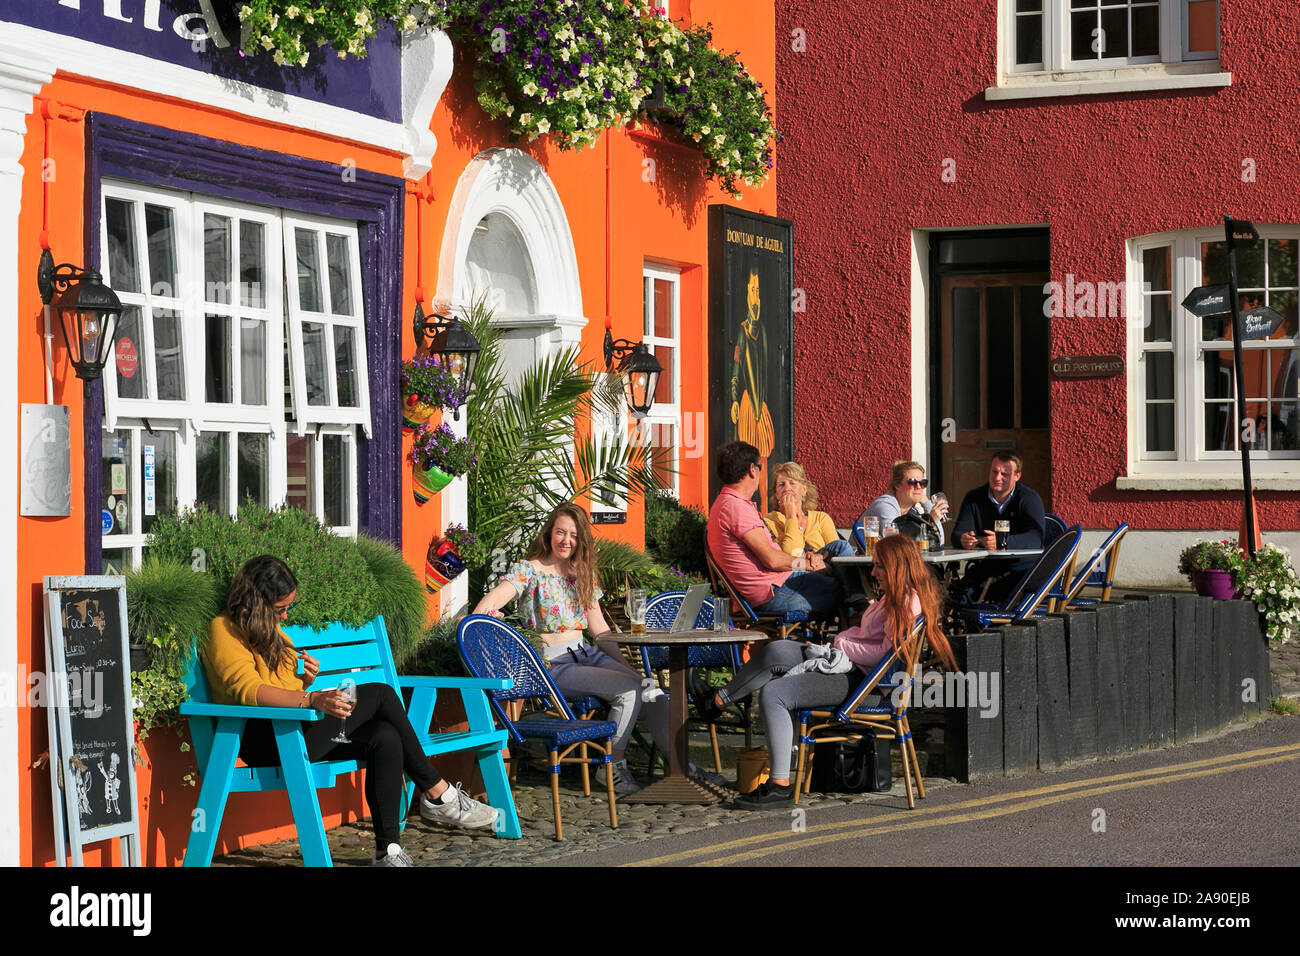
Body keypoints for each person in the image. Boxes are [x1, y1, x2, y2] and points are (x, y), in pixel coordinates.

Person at [203, 555, 499, 868]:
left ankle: (388, 853)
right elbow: (248, 690)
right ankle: (438, 793)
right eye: (279, 609)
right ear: (256, 603)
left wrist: (304, 677)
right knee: (381, 694)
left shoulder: (272, 632)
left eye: (288, 606)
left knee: (385, 737)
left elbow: (283, 684)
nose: (286, 614)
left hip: (294, 728)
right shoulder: (224, 630)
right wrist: (311, 698)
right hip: (265, 739)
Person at [696, 535, 956, 810]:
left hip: (867, 687)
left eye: (879, 566)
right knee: (777, 650)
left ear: (897, 566)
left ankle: (779, 787)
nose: (873, 572)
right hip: (854, 669)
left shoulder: (905, 601)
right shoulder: (894, 595)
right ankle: (716, 702)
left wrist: (845, 644)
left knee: (774, 694)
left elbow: (885, 655)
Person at [473, 502, 671, 795]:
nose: (566, 541)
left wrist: (630, 668)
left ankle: (680, 768)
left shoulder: (582, 573)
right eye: (560, 532)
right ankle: (611, 768)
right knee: (629, 691)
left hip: (587, 654)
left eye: (574, 535)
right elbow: (493, 600)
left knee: (650, 689)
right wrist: (486, 614)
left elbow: (600, 631)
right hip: (553, 665)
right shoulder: (529, 570)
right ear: (549, 533)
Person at [707, 441, 843, 619]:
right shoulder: (735, 507)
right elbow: (771, 559)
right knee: (845, 589)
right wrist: (808, 565)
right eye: (759, 467)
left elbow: (775, 556)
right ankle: (863, 632)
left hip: (776, 583)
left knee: (840, 550)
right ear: (752, 470)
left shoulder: (729, 503)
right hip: (771, 592)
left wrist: (804, 561)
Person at [950, 453, 1046, 602]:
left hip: (1021, 568)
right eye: (994, 471)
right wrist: (963, 539)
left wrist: (1003, 543)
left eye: (1004, 474)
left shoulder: (1029, 498)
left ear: (1017, 476)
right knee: (955, 596)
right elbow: (957, 533)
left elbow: (1036, 538)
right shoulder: (974, 498)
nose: (997, 478)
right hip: (987, 566)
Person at [764, 461, 860, 602]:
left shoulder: (821, 518)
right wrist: (791, 517)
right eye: (781, 484)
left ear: (804, 490)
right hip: (794, 576)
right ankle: (858, 606)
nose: (787, 488)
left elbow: (838, 556)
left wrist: (817, 557)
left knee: (842, 546)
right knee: (843, 586)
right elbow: (791, 554)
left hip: (824, 569)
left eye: (792, 483)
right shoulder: (769, 521)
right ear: (776, 494)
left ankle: (857, 602)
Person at [862, 460, 948, 546]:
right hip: (862, 558)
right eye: (912, 482)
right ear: (897, 485)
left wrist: (926, 502)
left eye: (922, 483)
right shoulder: (884, 505)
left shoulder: (913, 511)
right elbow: (898, 541)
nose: (918, 487)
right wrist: (930, 520)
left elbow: (940, 542)